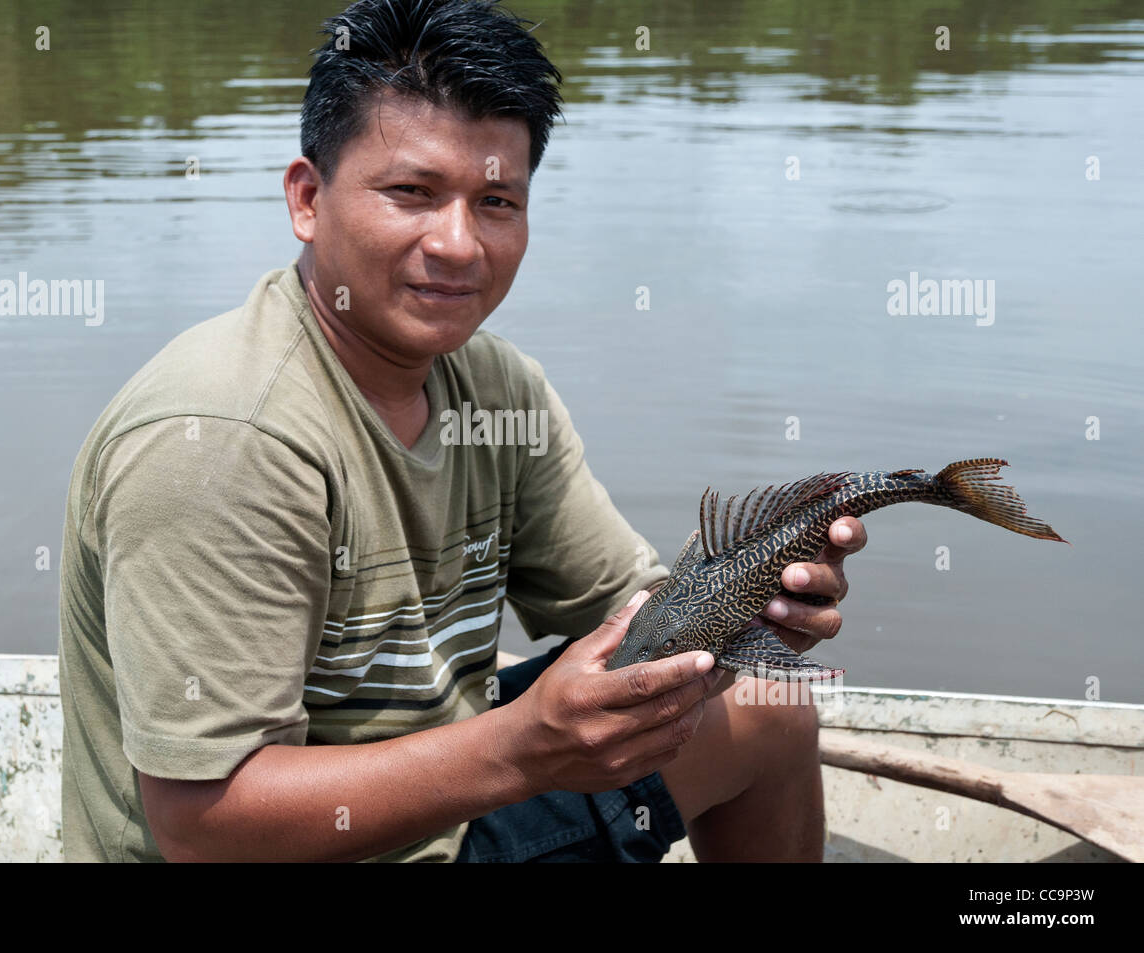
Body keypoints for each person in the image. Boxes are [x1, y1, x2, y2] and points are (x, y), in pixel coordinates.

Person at [57, 0, 866, 863]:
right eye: (411, 192)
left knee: (761, 710)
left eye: (496, 201)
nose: (458, 244)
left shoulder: (495, 391)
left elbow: (631, 613)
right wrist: (519, 749)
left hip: (448, 812)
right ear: (306, 197)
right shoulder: (225, 439)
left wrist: (747, 612)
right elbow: (201, 829)